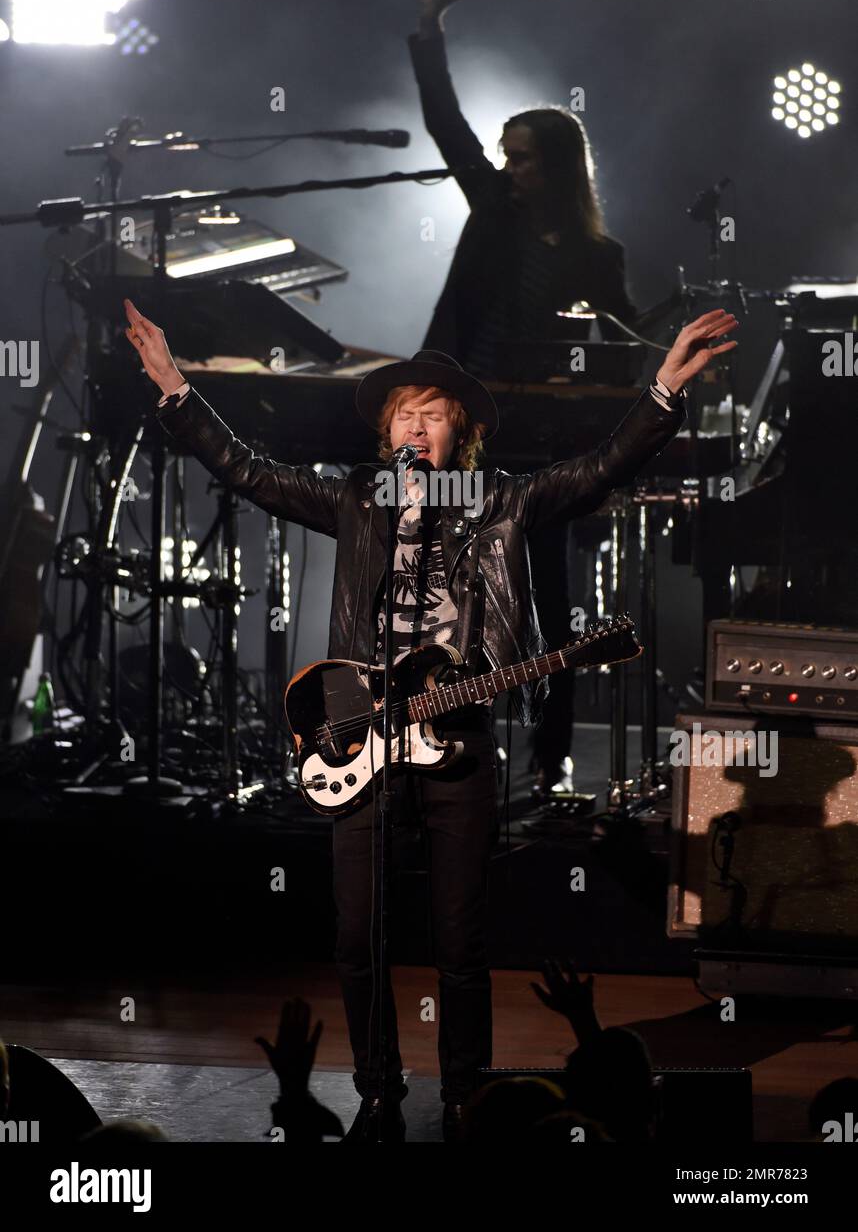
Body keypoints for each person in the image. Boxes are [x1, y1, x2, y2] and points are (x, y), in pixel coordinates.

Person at [123, 295, 737, 1141]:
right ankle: (377, 1088)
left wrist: (663, 386)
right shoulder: (356, 502)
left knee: (460, 945)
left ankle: (464, 1093)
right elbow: (249, 471)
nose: (417, 427)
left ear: (463, 437)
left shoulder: (503, 502)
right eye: (404, 415)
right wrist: (173, 386)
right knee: (355, 938)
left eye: (434, 416)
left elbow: (598, 469)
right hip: (365, 748)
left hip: (459, 749)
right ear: (387, 434)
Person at [410, 0, 641, 791]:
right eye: (504, 155)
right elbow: (445, 125)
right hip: (465, 425)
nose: (508, 169)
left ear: (557, 167)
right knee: (447, 596)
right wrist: (427, 28)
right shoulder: (493, 212)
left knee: (548, 596)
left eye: (522, 157)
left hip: (544, 442)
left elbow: (627, 349)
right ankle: (450, 738)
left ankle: (550, 755)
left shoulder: (596, 258)